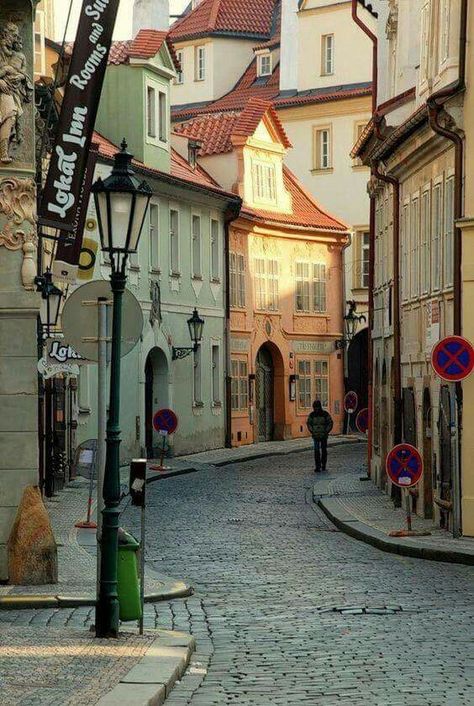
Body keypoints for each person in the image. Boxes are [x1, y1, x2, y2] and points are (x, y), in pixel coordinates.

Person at [306, 400, 333, 473]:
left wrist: (326, 431)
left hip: (323, 435)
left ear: (319, 407)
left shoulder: (325, 414)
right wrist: (312, 431)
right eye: (315, 407)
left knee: (324, 451)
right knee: (316, 451)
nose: (316, 409)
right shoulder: (312, 415)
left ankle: (323, 465)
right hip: (315, 435)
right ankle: (317, 466)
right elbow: (309, 423)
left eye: (317, 407)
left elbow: (330, 423)